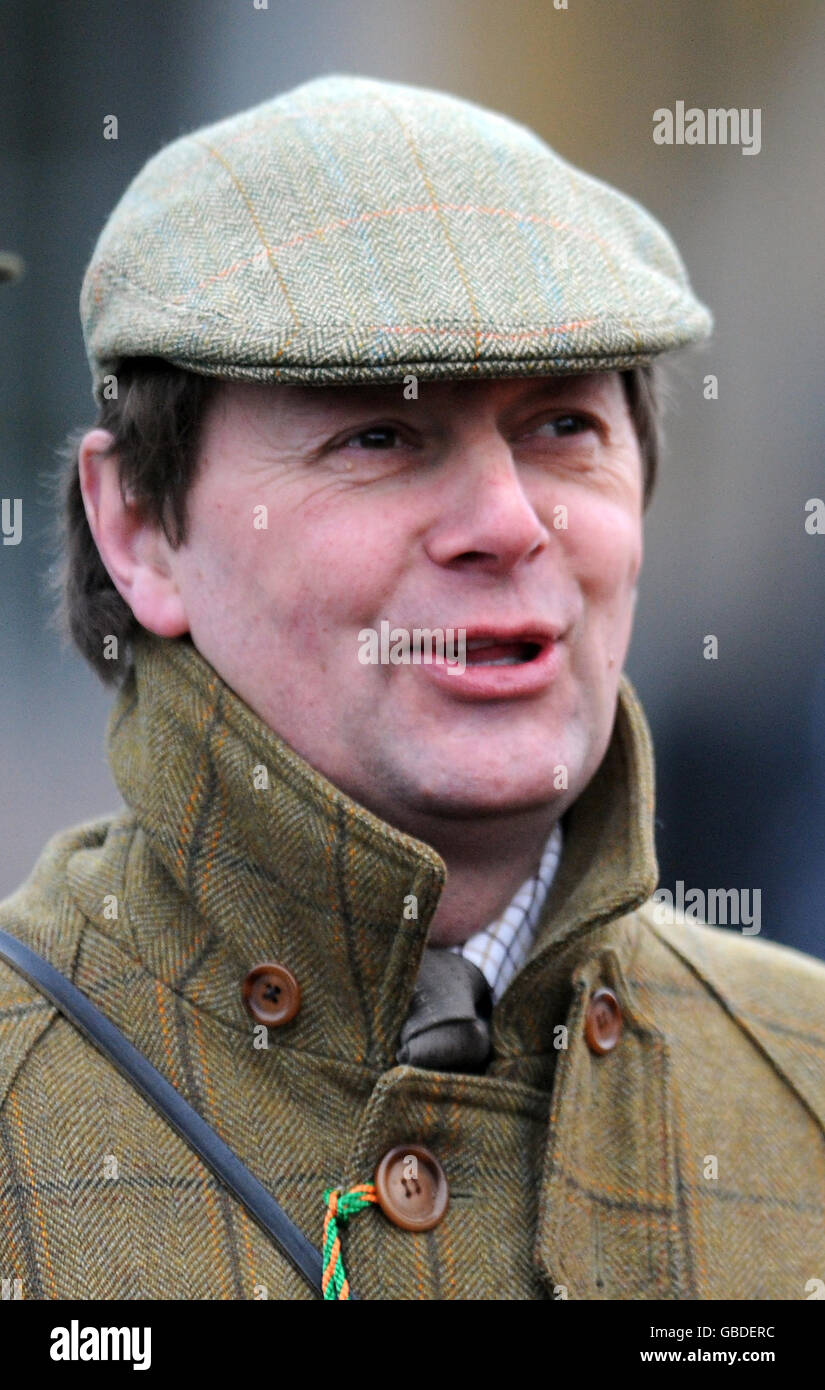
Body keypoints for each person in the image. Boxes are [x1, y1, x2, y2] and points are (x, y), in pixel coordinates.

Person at [1, 73, 823, 1302]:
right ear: (140, 529)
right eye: (379, 439)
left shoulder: (803, 1086)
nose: (507, 522)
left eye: (563, 428)